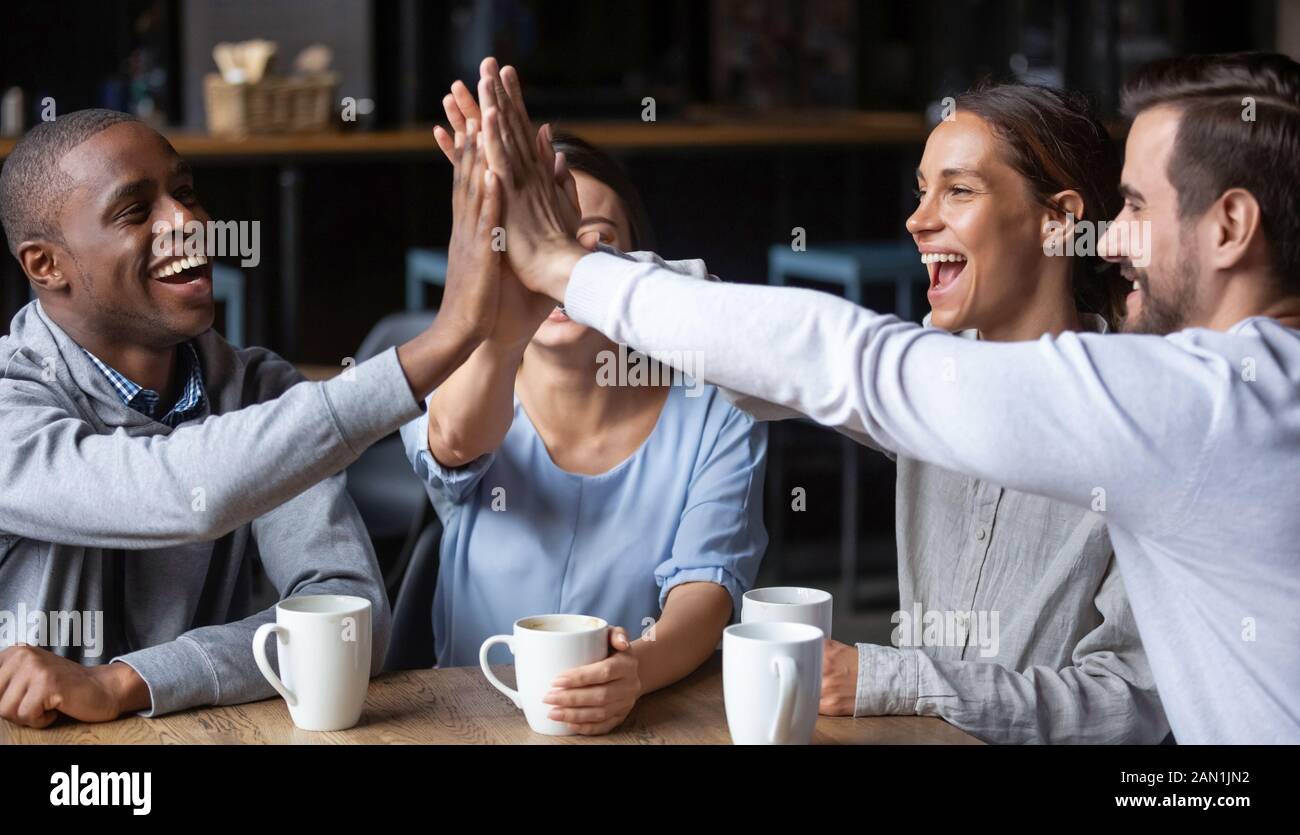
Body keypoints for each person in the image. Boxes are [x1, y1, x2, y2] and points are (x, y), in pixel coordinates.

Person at [471, 53, 1300, 743]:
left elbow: (838, 359)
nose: (1114, 238)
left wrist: (568, 264)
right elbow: (783, 364)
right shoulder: (1183, 387)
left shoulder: (1179, 403)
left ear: (1229, 226)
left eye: (1139, 208)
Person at [0, 108, 502, 726]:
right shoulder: (10, 403)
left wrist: (129, 681)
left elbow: (351, 619)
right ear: (45, 266)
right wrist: (442, 342)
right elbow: (179, 491)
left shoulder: (261, 390)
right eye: (135, 211)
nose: (186, 222)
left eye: (184, 193)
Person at [402, 86, 767, 736]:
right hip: (467, 722)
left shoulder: (712, 405)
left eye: (593, 241)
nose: (562, 265)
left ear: (638, 268)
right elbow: (453, 444)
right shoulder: (458, 369)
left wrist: (636, 670)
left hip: (639, 718)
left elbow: (708, 584)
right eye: (537, 239)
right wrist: (506, 316)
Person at [807, 82, 1165, 743]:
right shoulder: (924, 373)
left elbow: (1127, 706)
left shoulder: (1139, 419)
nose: (918, 219)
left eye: (958, 190)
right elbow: (783, 366)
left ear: (1057, 220)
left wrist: (894, 678)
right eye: (921, 190)